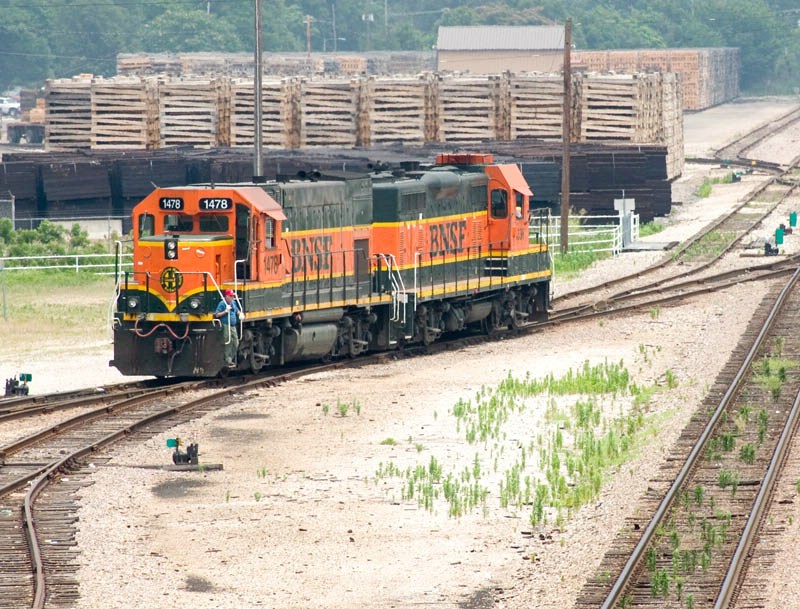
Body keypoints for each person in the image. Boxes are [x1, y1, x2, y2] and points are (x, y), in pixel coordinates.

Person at [214, 289, 244, 368]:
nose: (232, 297)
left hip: (233, 325)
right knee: (228, 341)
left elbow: (237, 310)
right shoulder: (222, 303)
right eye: (231, 296)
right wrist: (225, 311)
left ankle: (231, 357)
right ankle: (227, 358)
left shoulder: (233, 303)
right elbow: (217, 315)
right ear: (226, 296)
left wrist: (240, 314)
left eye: (233, 296)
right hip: (226, 325)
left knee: (236, 342)